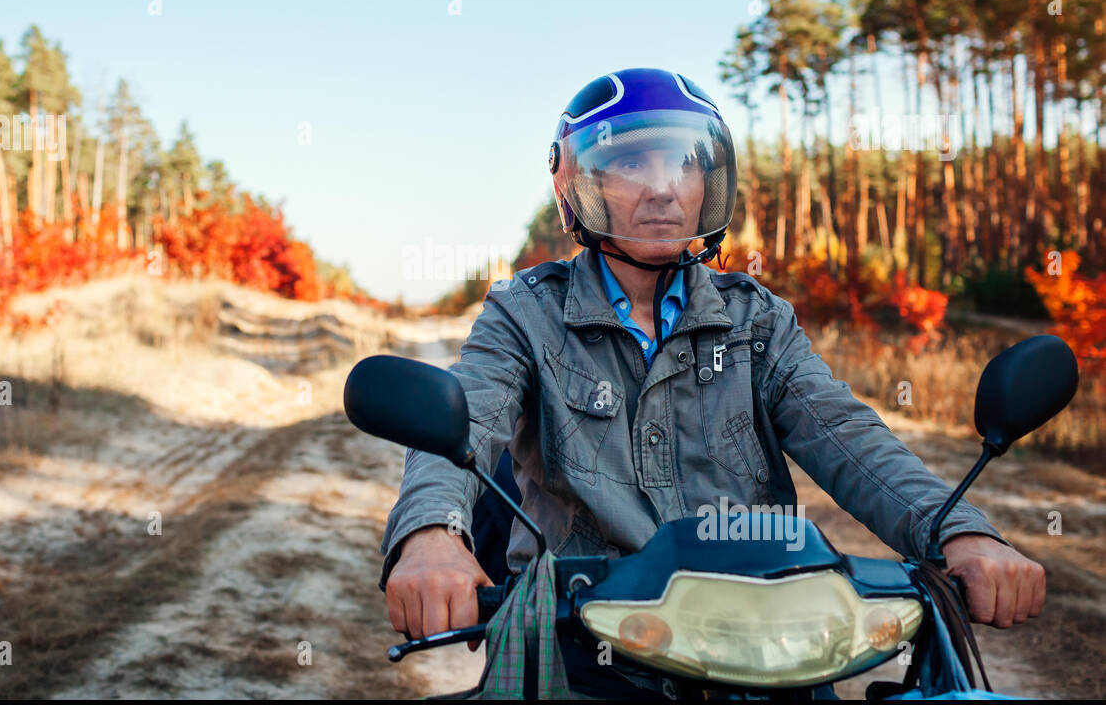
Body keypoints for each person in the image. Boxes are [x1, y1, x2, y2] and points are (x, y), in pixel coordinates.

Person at [379, 67, 1045, 659]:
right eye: (634, 164)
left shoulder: (757, 321)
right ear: (579, 185)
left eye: (685, 165)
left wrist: (963, 534)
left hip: (760, 643)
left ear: (710, 183)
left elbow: (849, 438)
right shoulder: (526, 313)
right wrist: (433, 536)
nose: (665, 190)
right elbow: (465, 421)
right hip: (580, 646)